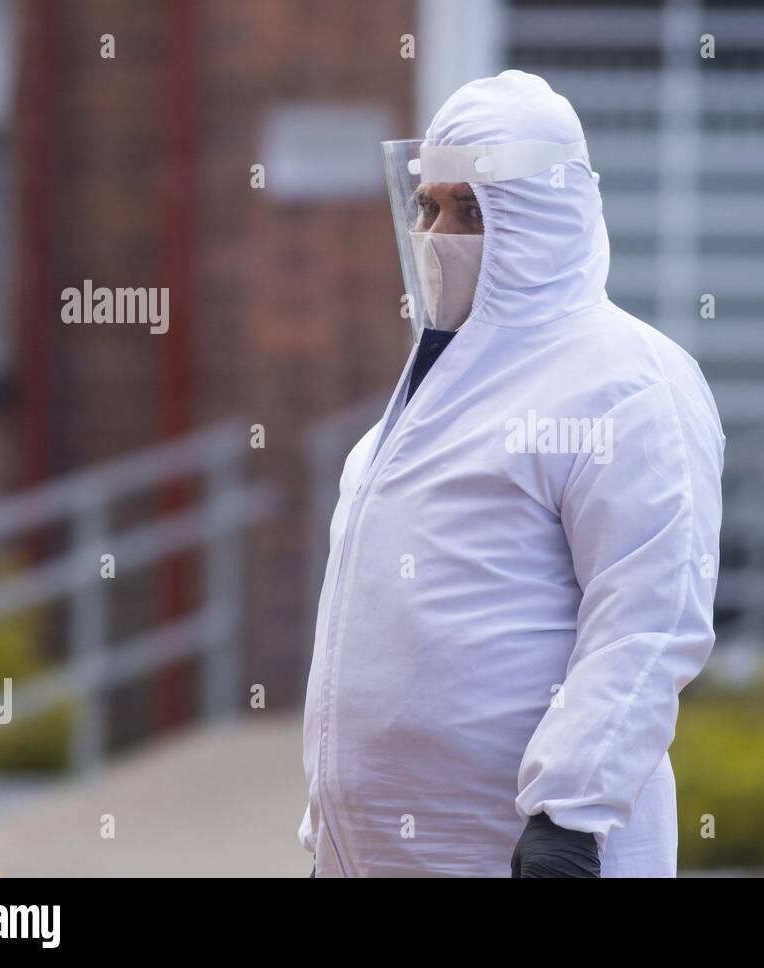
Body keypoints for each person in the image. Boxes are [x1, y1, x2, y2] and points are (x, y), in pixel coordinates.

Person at [299, 70, 725, 877]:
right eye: (427, 206)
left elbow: (647, 621)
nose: (436, 231)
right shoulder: (423, 398)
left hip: (536, 859)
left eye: (471, 209)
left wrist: (570, 815)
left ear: (541, 216)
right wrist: (328, 836)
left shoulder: (628, 382)